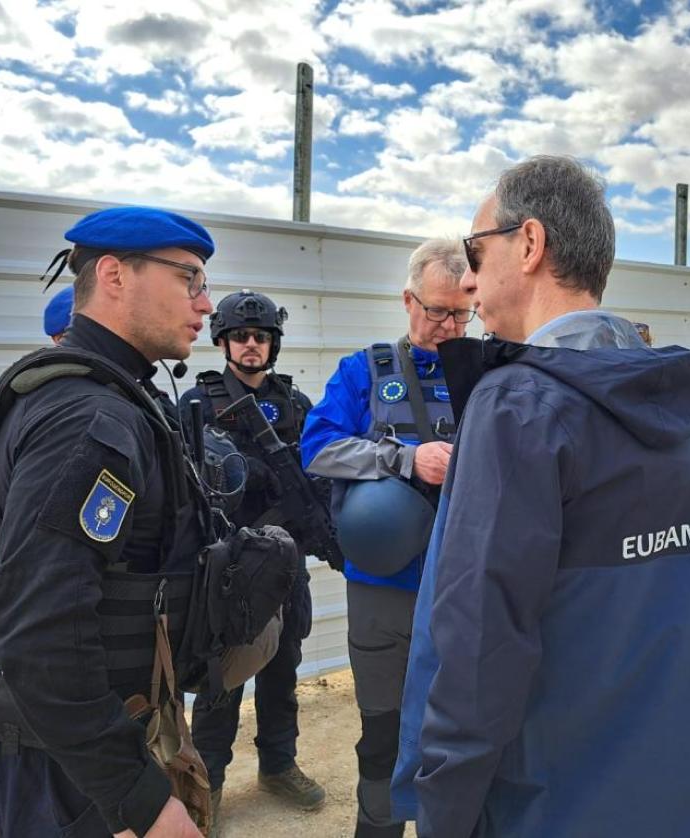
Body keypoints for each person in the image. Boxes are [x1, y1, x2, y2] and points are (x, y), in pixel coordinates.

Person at [392, 155, 690, 837]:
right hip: (670, 793)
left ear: (529, 244)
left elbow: (479, 640)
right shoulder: (684, 411)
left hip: (543, 800)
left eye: (473, 252)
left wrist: (443, 809)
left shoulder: (522, 406)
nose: (466, 279)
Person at [0, 206, 218, 837]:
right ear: (115, 275)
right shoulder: (88, 419)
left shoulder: (111, 394)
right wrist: (138, 800)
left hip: (84, 744)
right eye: (190, 278)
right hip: (74, 771)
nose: (206, 304)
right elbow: (41, 633)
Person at [301, 239, 473, 838]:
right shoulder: (365, 370)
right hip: (383, 589)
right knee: (382, 732)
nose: (449, 326)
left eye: (462, 313)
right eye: (436, 312)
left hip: (464, 584)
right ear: (408, 300)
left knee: (460, 732)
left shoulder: (491, 372)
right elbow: (317, 448)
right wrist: (403, 457)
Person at [177, 290, 323, 833]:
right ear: (223, 341)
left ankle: (279, 765)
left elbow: (319, 470)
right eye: (241, 336)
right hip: (230, 565)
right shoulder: (197, 402)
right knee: (224, 677)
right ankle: (207, 782)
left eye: (261, 337)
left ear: (274, 344)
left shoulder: (297, 403)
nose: (251, 345)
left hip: (287, 560)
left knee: (283, 667)